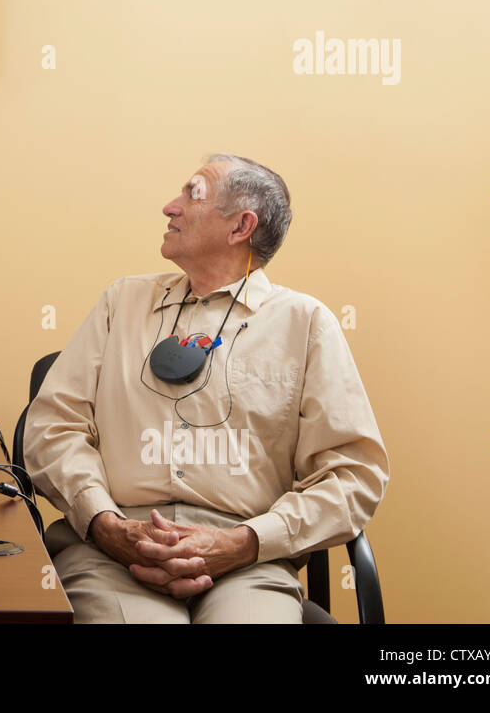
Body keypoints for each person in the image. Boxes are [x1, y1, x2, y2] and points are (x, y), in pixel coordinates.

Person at [23, 154, 388, 623]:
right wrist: (106, 523)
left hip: (248, 564)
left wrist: (245, 542)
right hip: (114, 552)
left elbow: (353, 475)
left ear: (240, 226)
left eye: (191, 193)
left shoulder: (306, 323)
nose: (169, 207)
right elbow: (54, 427)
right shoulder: (122, 301)